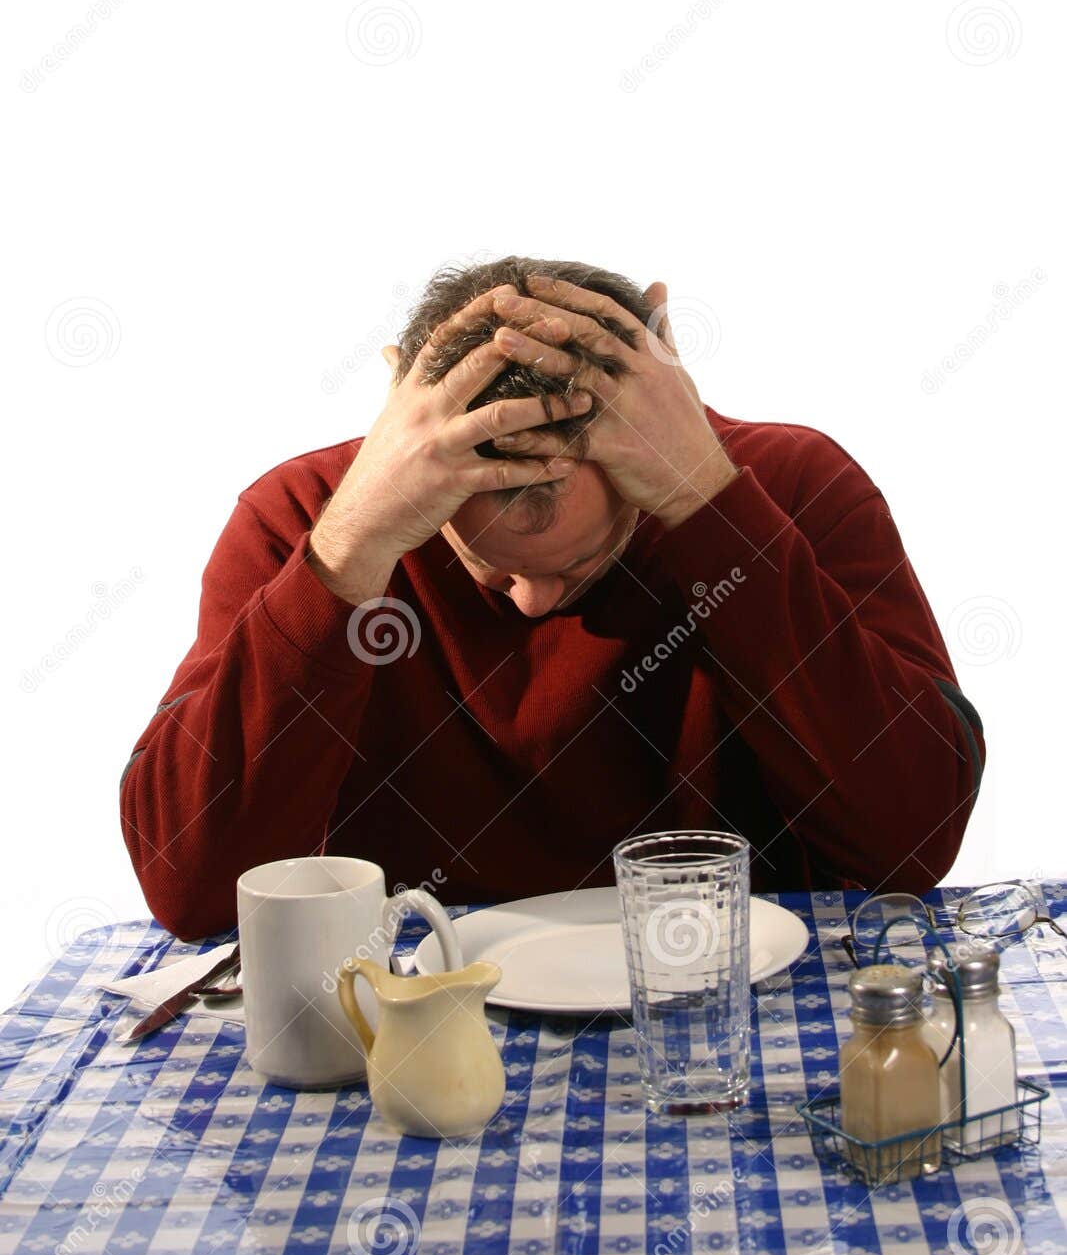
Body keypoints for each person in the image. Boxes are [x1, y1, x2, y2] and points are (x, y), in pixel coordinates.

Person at [120, 256, 984, 940]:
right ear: (398, 412)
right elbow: (192, 889)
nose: (530, 605)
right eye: (486, 561)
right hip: (412, 1024)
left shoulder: (786, 487)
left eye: (579, 561)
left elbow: (909, 842)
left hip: (729, 1006)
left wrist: (708, 506)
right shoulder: (311, 519)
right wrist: (346, 557)